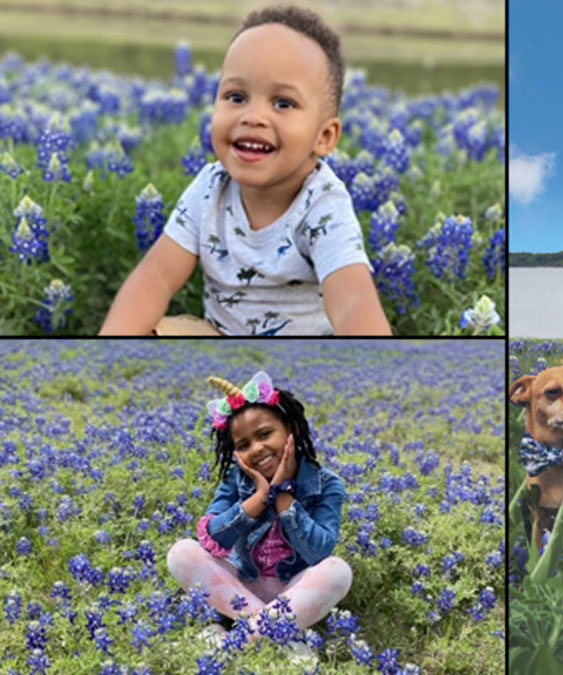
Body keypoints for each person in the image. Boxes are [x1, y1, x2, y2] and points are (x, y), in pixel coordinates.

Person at [100, 5, 390, 335]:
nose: (253, 116)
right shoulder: (209, 188)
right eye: (236, 97)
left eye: (283, 103)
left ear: (324, 137)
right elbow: (156, 276)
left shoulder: (323, 206)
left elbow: (353, 302)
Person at [167, 371, 351, 647]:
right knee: (182, 552)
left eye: (265, 434)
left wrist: (283, 499)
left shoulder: (326, 484)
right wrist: (261, 497)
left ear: (292, 430)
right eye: (243, 445)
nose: (257, 449)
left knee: (338, 571)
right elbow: (213, 539)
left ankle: (235, 640)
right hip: (241, 584)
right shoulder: (235, 481)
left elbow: (319, 551)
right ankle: (279, 632)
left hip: (295, 588)